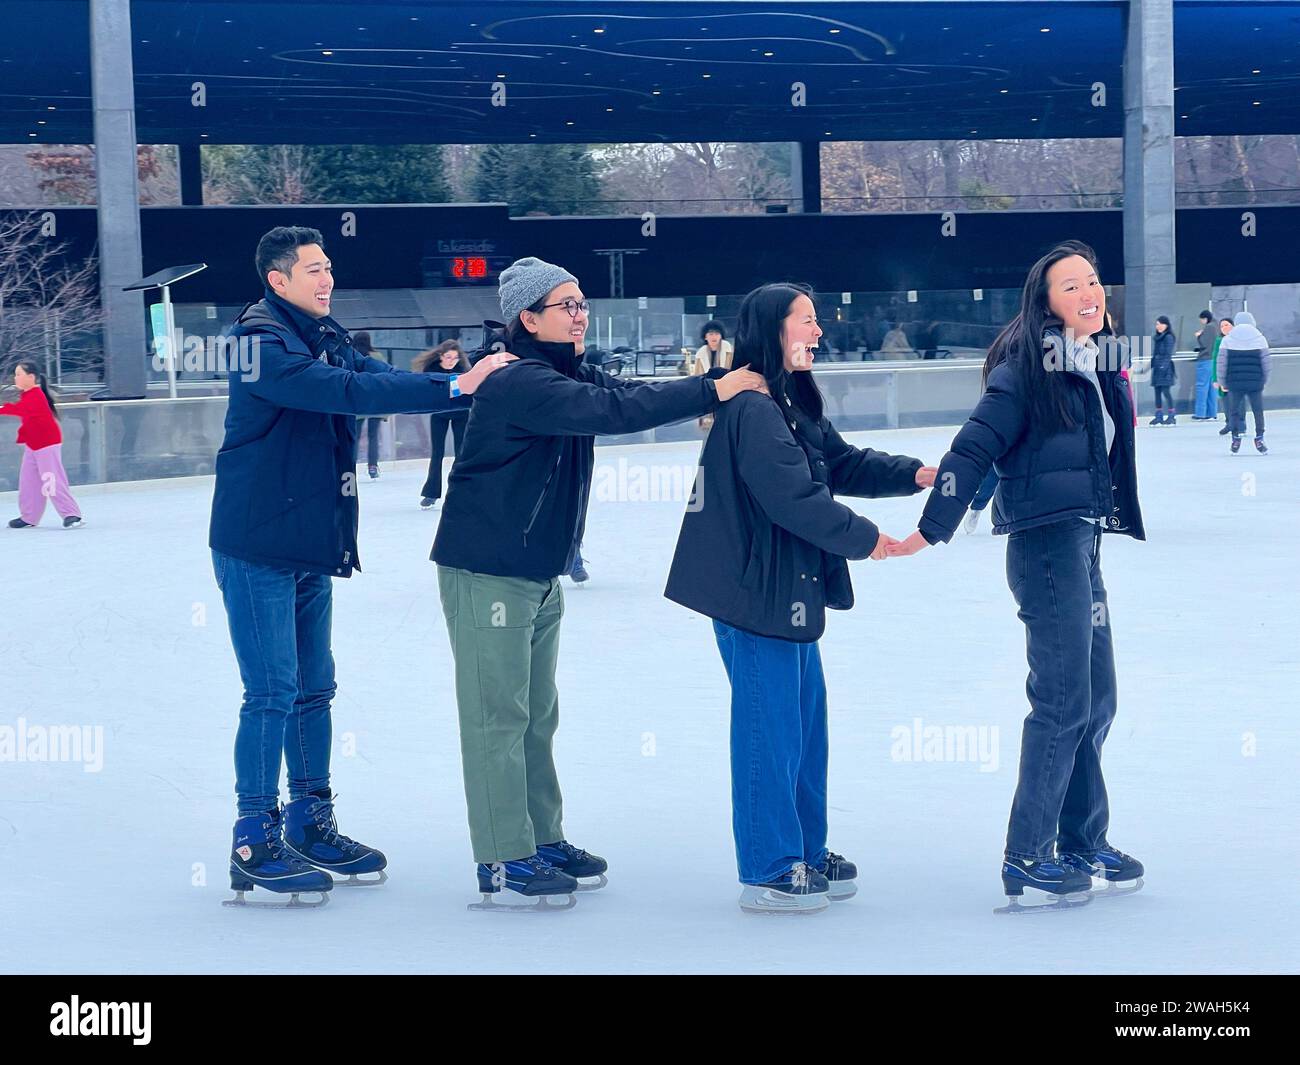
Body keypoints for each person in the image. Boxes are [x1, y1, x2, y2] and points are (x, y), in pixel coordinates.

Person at [431, 256, 766, 908]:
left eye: (583, 303)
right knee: (497, 717)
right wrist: (712, 390)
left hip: (537, 569)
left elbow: (621, 391)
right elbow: (614, 411)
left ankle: (542, 835)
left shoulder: (568, 370)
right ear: (528, 318)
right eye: (567, 305)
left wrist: (726, 378)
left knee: (536, 717)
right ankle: (503, 854)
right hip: (489, 570)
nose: (581, 314)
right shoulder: (518, 379)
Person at [209, 226, 512, 905]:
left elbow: (381, 380)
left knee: (315, 686)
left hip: (311, 541)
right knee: (271, 690)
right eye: (313, 269)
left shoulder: (327, 333)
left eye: (329, 267)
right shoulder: (257, 345)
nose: (327, 279)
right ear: (276, 279)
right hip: (256, 542)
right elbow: (340, 391)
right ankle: (253, 835)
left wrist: (461, 387)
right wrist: (459, 382)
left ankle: (311, 822)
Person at [888, 240, 1147, 909]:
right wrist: (932, 524)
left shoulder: (1090, 359)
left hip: (1082, 541)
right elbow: (978, 443)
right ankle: (1027, 852)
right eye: (1071, 286)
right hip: (1045, 549)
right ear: (1044, 302)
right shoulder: (1027, 364)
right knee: (1063, 702)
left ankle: (1082, 837)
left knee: (1098, 698)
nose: (1090, 293)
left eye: (1093, 281)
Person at [664, 283, 934, 914]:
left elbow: (840, 464)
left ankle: (806, 850)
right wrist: (868, 541)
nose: (818, 333)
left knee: (806, 730)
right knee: (770, 730)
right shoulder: (754, 408)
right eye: (806, 322)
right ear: (771, 329)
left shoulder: (786, 400)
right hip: (755, 591)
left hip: (788, 589)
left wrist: (914, 473)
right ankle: (768, 865)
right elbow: (792, 500)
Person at [1, 360, 83, 530]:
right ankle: (29, 516)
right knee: (28, 481)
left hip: (46, 444)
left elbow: (20, 410)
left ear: (31, 377)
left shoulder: (36, 396)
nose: (15, 378)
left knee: (51, 480)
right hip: (33, 444)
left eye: (18, 374)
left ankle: (71, 514)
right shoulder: (28, 395)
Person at [412, 340, 471, 509]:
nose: (452, 361)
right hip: (439, 414)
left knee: (461, 454)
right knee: (437, 453)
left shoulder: (463, 370)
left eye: (455, 357)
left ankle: (459, 492)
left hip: (461, 414)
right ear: (440, 356)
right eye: (448, 357)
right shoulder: (432, 369)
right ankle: (431, 493)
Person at [1218, 311, 1271, 454]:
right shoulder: (1260, 338)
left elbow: (1221, 362)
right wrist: (1264, 379)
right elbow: (1266, 362)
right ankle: (1259, 438)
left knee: (1234, 410)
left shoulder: (1228, 339)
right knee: (1258, 411)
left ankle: (1235, 438)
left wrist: (1222, 381)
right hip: (1255, 382)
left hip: (1234, 382)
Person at [353, 332, 387, 478]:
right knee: (373, 436)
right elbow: (385, 377)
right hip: (375, 402)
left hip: (357, 402)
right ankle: (373, 467)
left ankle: (351, 465)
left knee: (355, 436)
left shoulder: (351, 356)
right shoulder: (377, 357)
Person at [689, 321, 733, 430]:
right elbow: (698, 376)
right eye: (711, 334)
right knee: (708, 430)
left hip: (728, 392)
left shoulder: (730, 351)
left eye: (717, 334)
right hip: (709, 393)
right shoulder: (701, 354)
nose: (714, 337)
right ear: (705, 337)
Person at [1149, 315, 1177, 425]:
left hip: (1165, 369)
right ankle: (1159, 415)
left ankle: (1171, 415)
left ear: (1166, 325)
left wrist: (1163, 367)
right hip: (1157, 368)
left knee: (1166, 392)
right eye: (1157, 324)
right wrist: (1150, 366)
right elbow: (1155, 354)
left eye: (1161, 324)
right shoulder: (1157, 338)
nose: (1159, 326)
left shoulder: (1168, 337)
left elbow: (1168, 354)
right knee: (1157, 392)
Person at [1191, 310, 1218, 420]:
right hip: (1213, 360)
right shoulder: (1216, 326)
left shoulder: (1209, 327)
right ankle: (1212, 413)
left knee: (1201, 386)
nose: (1201, 322)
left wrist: (1198, 336)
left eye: (1201, 320)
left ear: (1205, 318)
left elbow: (1204, 343)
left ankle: (1200, 413)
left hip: (1205, 360)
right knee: (1212, 388)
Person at [1212, 317, 1233, 435]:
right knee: (1225, 399)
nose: (1224, 328)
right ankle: (1229, 422)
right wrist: (1215, 378)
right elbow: (1215, 359)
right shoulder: (1219, 341)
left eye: (1227, 325)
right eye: (1222, 326)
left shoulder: (1237, 340)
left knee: (1237, 400)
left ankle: (1240, 423)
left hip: (1235, 374)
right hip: (1223, 375)